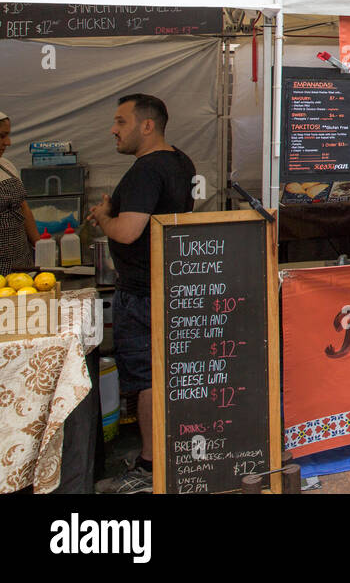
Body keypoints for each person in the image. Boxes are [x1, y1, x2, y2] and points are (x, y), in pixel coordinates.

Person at [89, 94, 196, 494]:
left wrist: (103, 216)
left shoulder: (145, 170)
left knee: (147, 379)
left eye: (120, 122)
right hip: (170, 287)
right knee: (167, 375)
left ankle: (150, 469)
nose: (113, 130)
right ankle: (175, 458)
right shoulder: (180, 161)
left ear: (146, 125)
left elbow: (128, 231)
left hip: (142, 293)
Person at [0, 111, 38, 274]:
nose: (8, 142)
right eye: (2, 136)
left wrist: (40, 245)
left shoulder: (6, 166)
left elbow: (24, 208)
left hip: (22, 263)